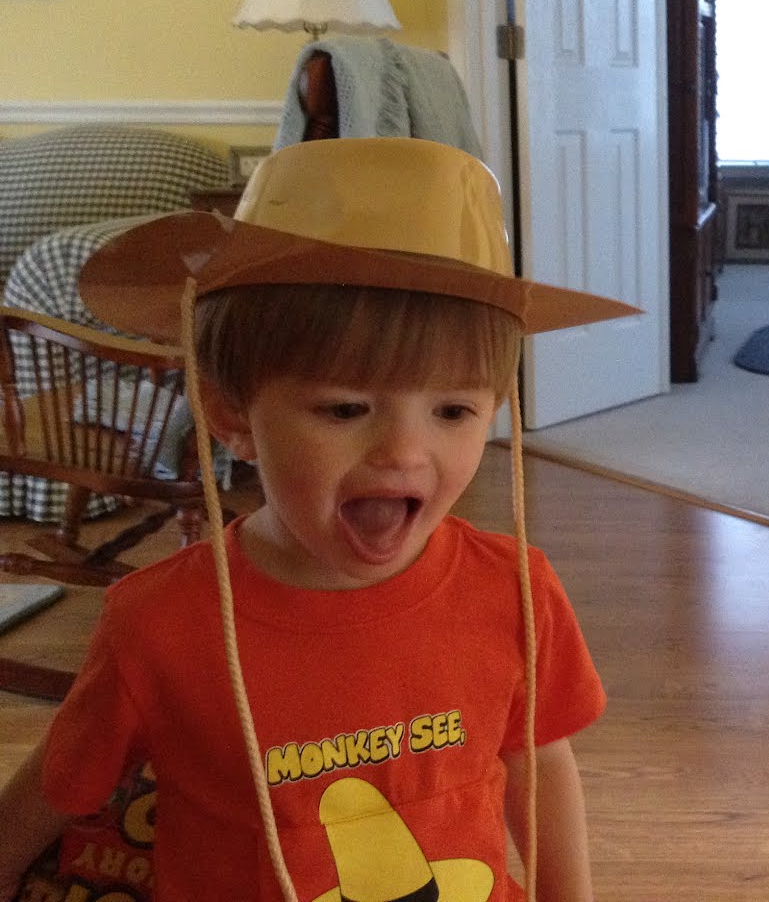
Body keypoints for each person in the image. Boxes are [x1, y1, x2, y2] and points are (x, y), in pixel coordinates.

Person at [0, 137, 638, 901]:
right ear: (232, 414)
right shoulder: (158, 622)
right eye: (345, 408)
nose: (405, 451)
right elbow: (61, 782)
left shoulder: (516, 589)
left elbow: (538, 762)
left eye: (453, 410)